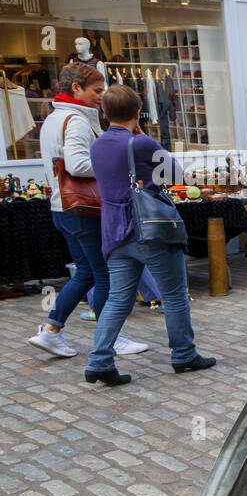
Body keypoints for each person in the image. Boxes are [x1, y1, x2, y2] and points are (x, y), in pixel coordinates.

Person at [82, 84, 216, 385]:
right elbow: (176, 174)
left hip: (115, 231)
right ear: (138, 112)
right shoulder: (139, 143)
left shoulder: (97, 145)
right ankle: (183, 354)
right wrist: (143, 136)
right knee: (174, 294)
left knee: (118, 299)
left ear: (104, 113)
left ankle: (99, 360)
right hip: (148, 228)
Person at [28, 63, 147, 360]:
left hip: (63, 208)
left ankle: (51, 330)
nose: (101, 96)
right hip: (83, 209)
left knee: (85, 273)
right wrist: (117, 168)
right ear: (76, 88)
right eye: (96, 90)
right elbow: (77, 164)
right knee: (105, 273)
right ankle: (111, 337)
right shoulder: (77, 120)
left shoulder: (56, 117)